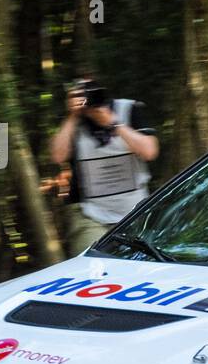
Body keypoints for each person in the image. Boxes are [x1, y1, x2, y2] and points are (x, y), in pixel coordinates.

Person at [47, 78, 159, 253]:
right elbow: (57, 156)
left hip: (135, 212)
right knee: (91, 267)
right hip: (90, 215)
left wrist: (114, 124)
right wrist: (72, 116)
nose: (88, 98)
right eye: (80, 93)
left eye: (92, 91)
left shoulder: (128, 109)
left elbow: (149, 151)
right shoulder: (73, 122)